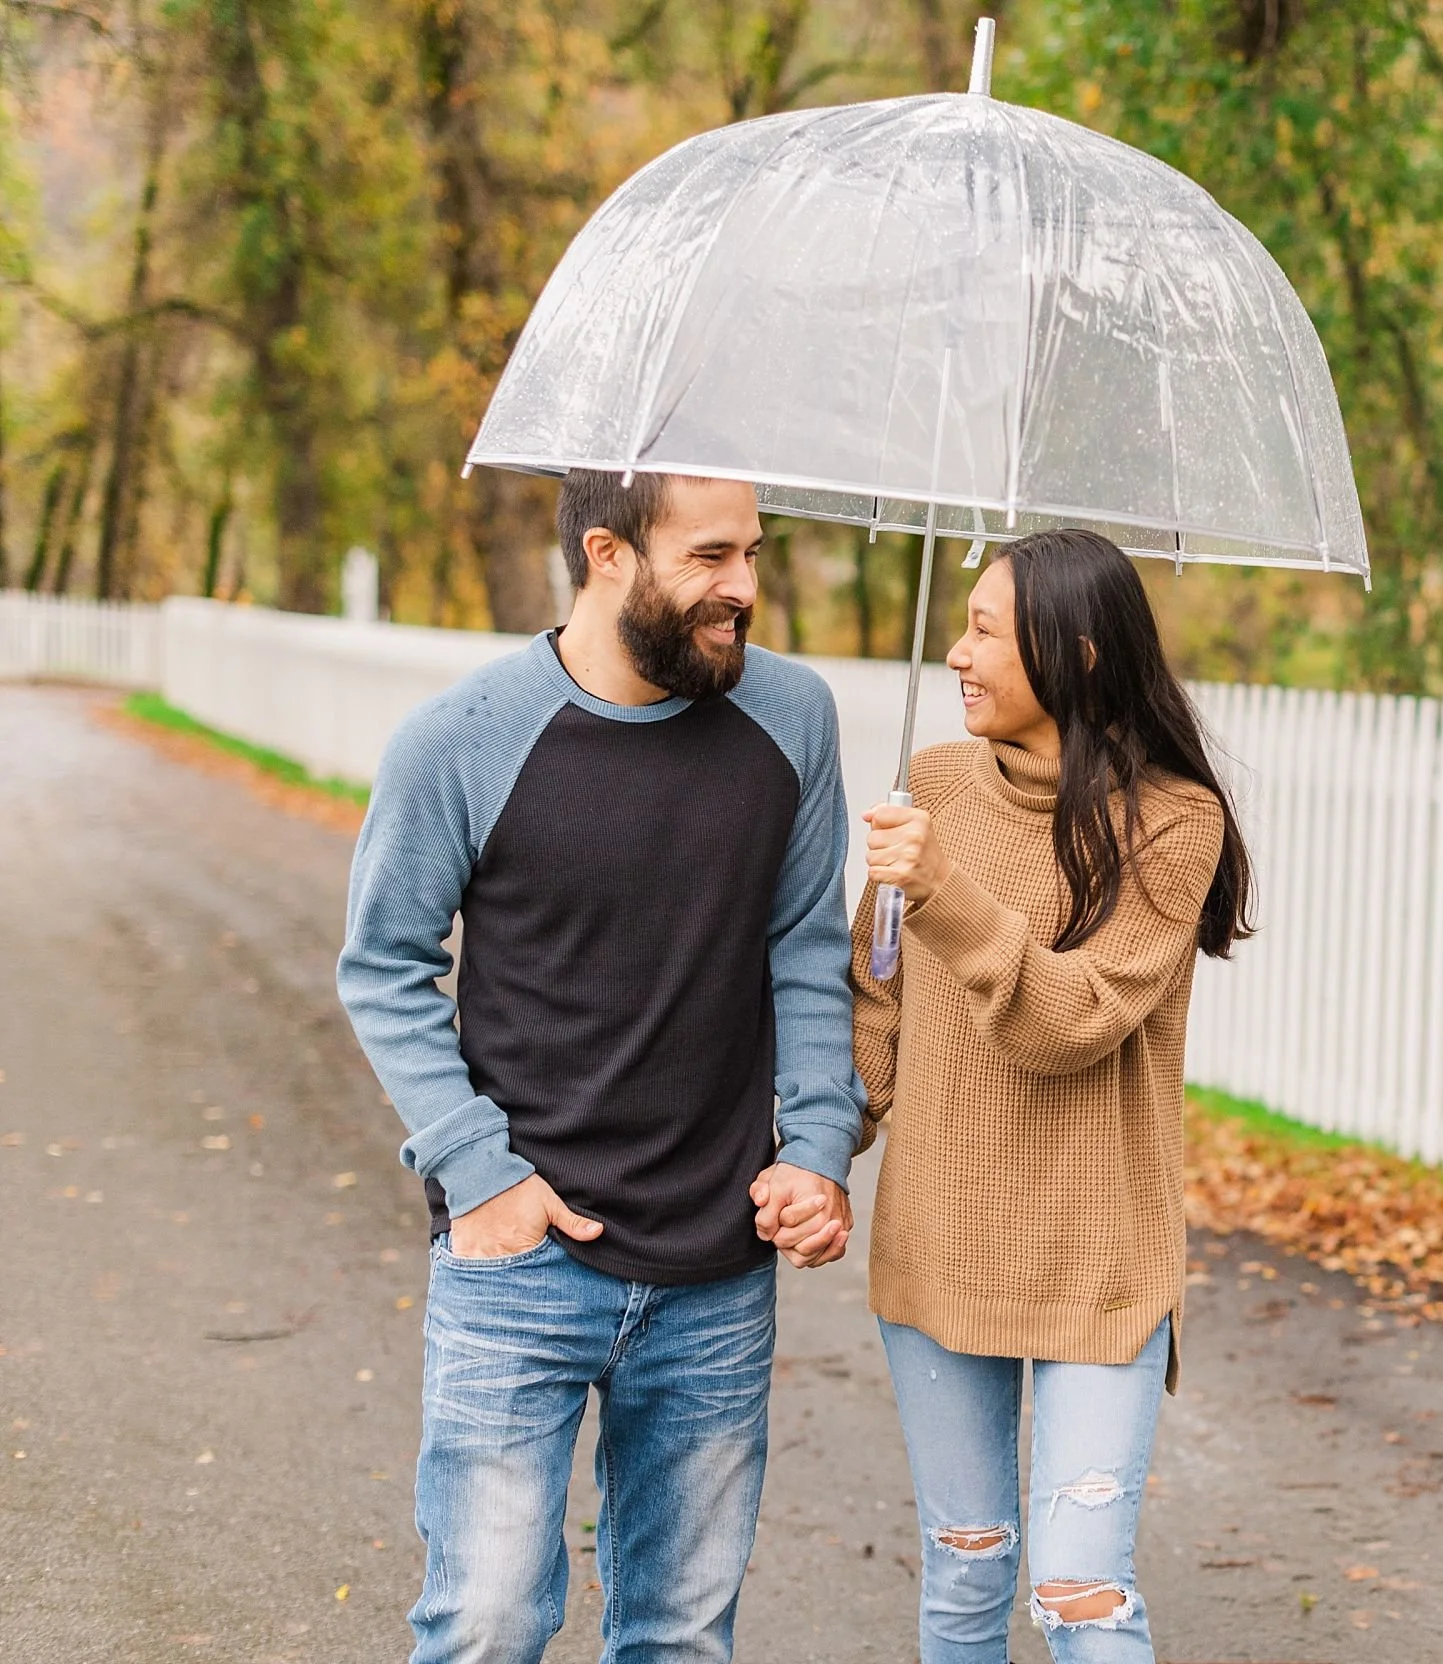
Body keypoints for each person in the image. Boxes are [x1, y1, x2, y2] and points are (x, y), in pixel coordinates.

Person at [336, 469, 865, 1664]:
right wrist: (481, 1173)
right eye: (711, 556)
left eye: (756, 555)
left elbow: (805, 947)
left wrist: (818, 1149)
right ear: (607, 553)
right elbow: (381, 966)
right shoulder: (460, 740)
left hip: (718, 1268)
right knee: (485, 1623)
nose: (744, 588)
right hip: (521, 1258)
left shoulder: (792, 718)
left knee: (679, 1634)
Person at [849, 526, 1253, 1664]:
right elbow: (875, 998)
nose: (956, 651)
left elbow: (1070, 1020)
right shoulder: (928, 784)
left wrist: (943, 890)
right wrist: (819, 1148)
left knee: (1080, 1593)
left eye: (983, 629)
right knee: (965, 1565)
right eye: (963, 621)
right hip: (939, 1243)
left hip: (1095, 1262)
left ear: (1073, 654)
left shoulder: (1173, 821)